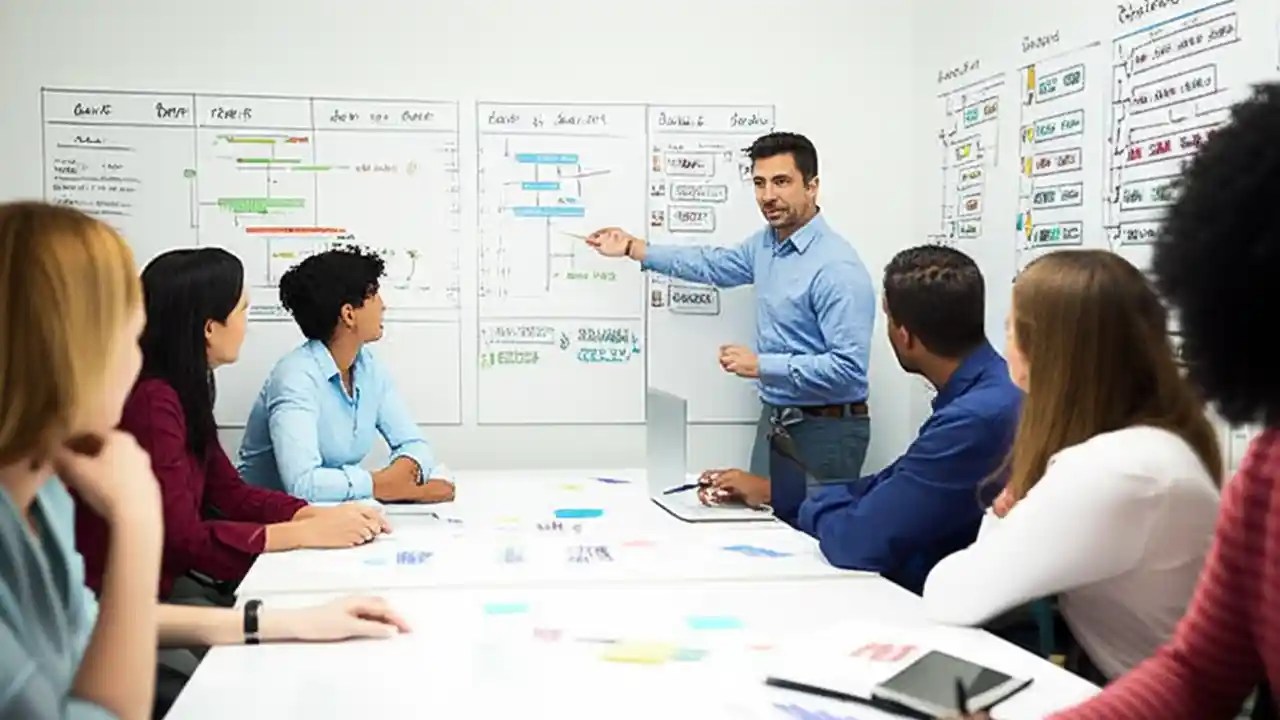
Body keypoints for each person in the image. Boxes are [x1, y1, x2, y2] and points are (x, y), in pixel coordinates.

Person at [0, 202, 408, 719]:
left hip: (158, 599)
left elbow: (91, 621)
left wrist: (295, 609)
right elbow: (176, 545)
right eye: (125, 333)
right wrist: (139, 521)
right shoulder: (154, 402)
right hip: (168, 587)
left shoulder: (47, 500)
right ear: (64, 347)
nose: (134, 356)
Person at [922, 250, 1221, 684]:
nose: (1005, 348)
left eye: (1010, 329)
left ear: (1045, 350)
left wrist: (1003, 518)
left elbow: (952, 596)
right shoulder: (1154, 444)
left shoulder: (1116, 471)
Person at [73, 247, 392, 605]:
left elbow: (229, 493)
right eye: (242, 310)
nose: (246, 326)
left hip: (166, 580)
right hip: (132, 596)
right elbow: (180, 539)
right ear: (210, 328)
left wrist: (316, 514)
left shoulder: (185, 390)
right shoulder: (153, 403)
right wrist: (305, 533)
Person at [702, 246, 1021, 594]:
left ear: (904, 336)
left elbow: (856, 542)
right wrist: (780, 494)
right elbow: (892, 482)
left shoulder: (975, 418)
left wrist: (810, 504)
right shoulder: (991, 389)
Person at [585, 131, 876, 482]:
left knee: (812, 519)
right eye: (759, 183)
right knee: (763, 514)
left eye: (781, 182)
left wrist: (762, 365)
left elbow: (848, 369)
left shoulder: (836, 268)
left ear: (811, 187)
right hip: (776, 419)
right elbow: (714, 265)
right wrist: (634, 247)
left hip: (825, 431)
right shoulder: (767, 244)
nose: (768, 196)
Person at [237, 245, 454, 504]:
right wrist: (388, 487)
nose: (383, 305)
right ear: (349, 314)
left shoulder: (368, 366)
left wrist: (406, 471)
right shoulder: (295, 378)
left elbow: (414, 443)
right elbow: (302, 484)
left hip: (326, 514)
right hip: (264, 518)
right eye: (374, 295)